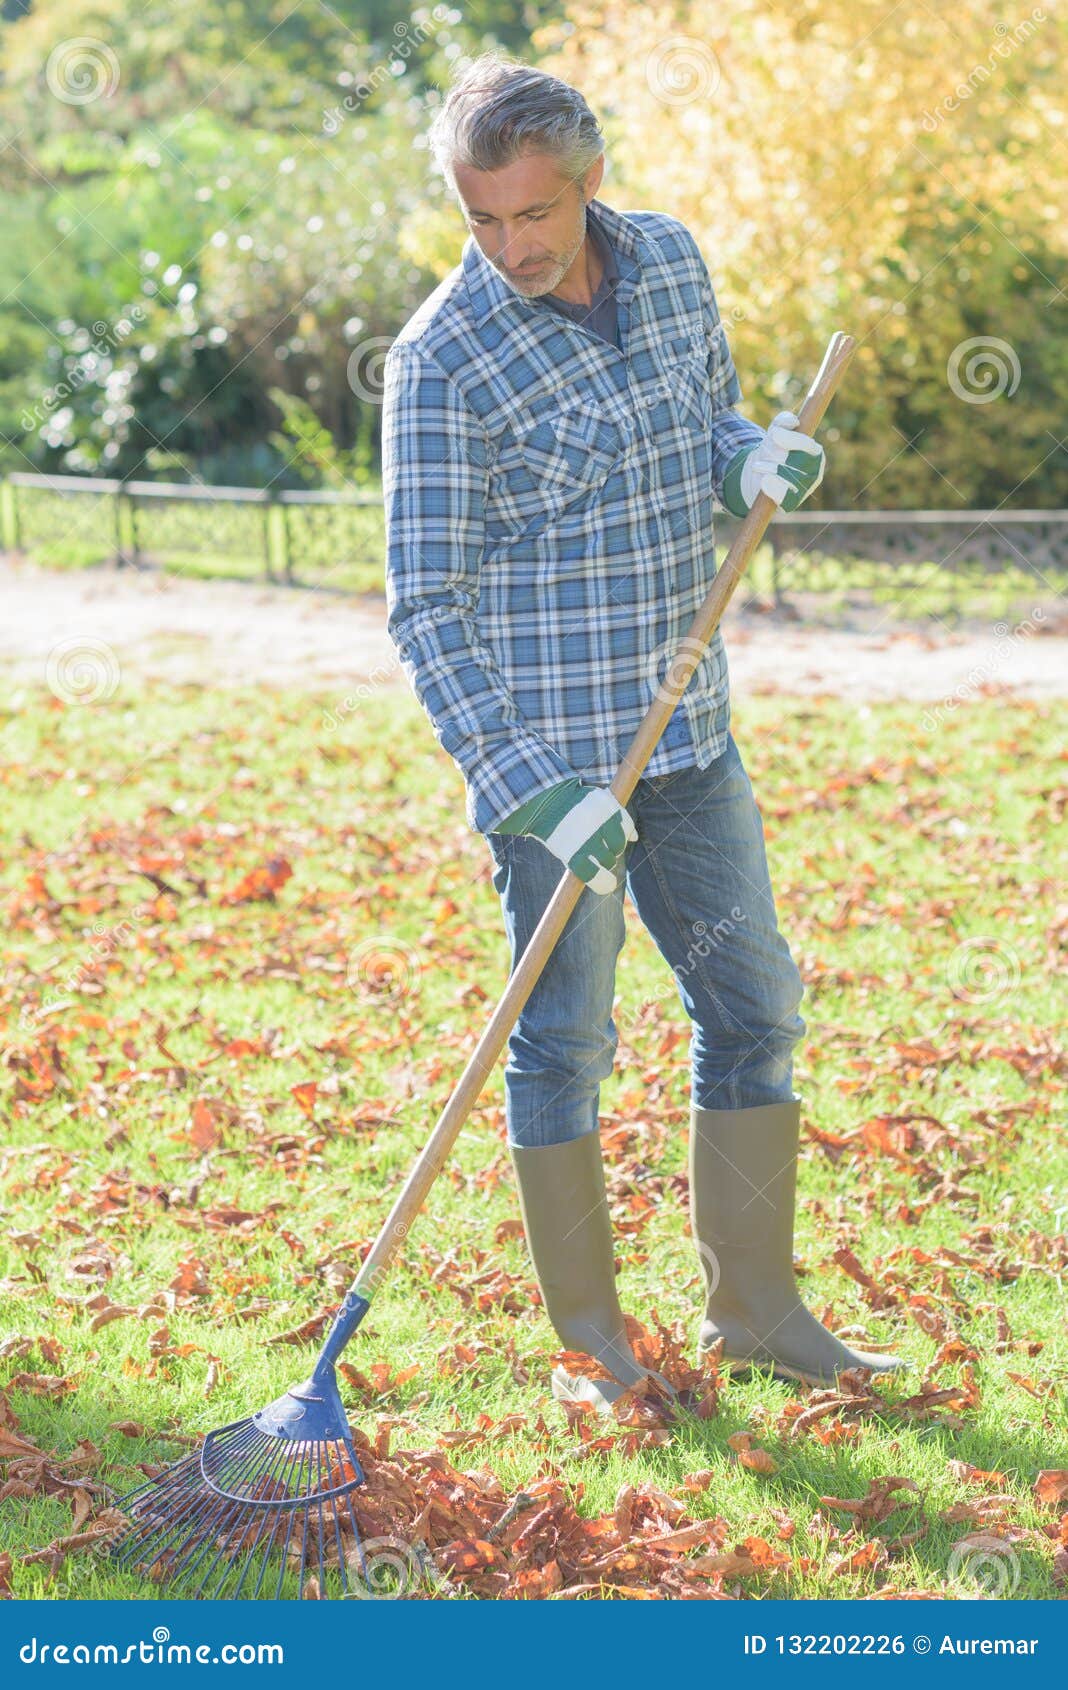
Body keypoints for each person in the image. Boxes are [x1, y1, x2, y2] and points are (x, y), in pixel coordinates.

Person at [381, 51, 904, 1413]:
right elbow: (425, 608)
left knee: (754, 1013)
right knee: (563, 1047)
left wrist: (747, 458)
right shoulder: (441, 360)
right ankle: (592, 1348)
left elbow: (698, 428)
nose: (510, 248)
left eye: (534, 215)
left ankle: (758, 1311)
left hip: (689, 736)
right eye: (481, 219)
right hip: (558, 769)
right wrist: (531, 791)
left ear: (591, 180)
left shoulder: (668, 260)